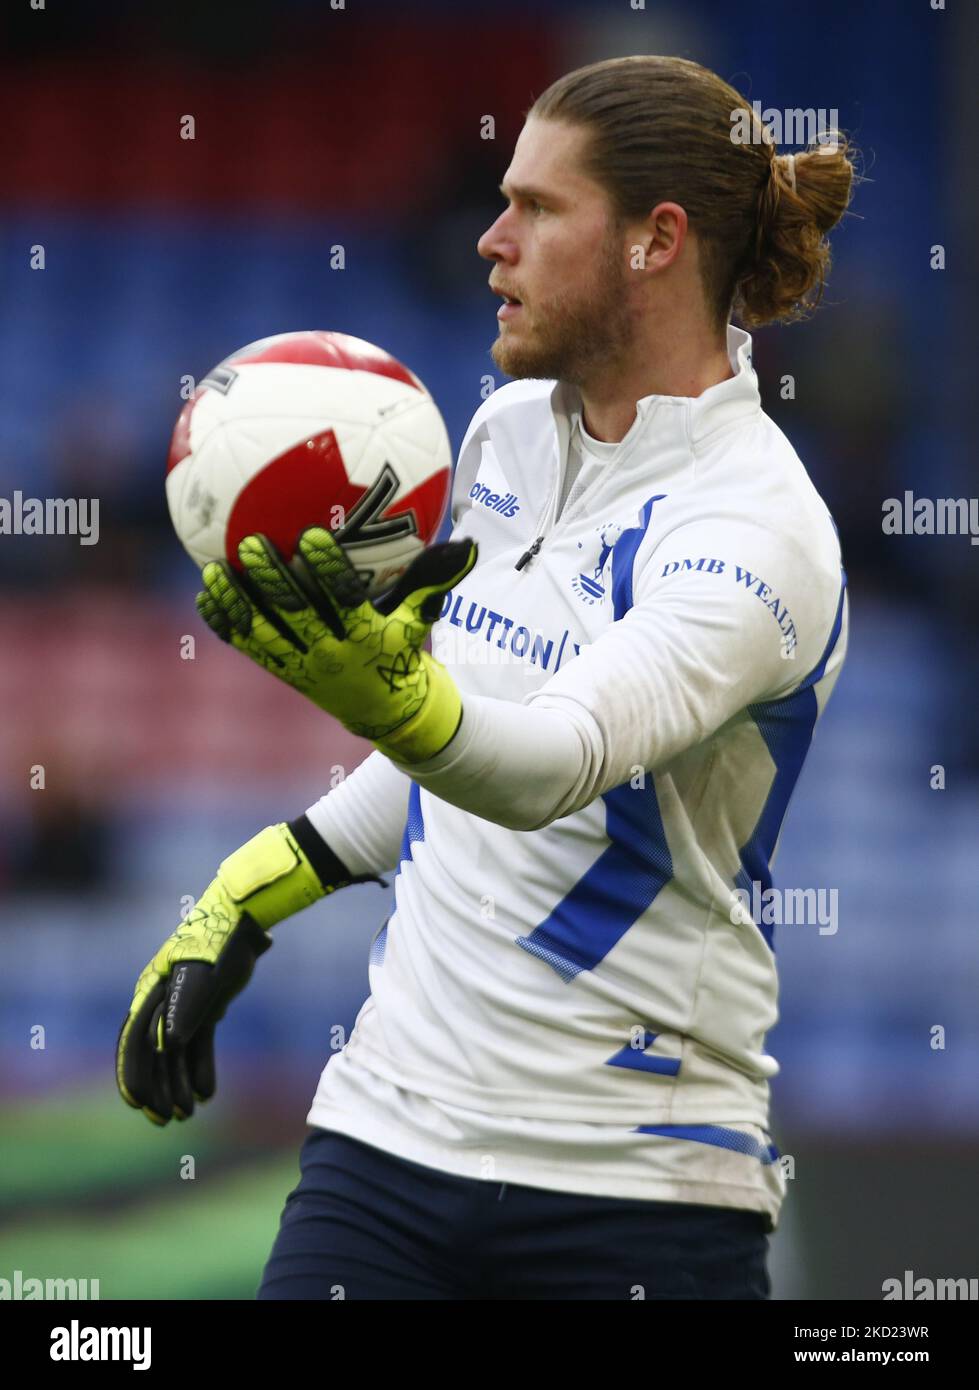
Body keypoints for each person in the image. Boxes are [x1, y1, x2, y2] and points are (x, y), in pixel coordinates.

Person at [117, 55, 857, 1300]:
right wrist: (247, 893)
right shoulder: (506, 433)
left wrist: (399, 703)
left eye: (535, 207)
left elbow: (548, 765)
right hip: (386, 1147)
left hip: (636, 1187)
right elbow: (448, 756)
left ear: (654, 242)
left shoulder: (758, 529)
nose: (489, 241)